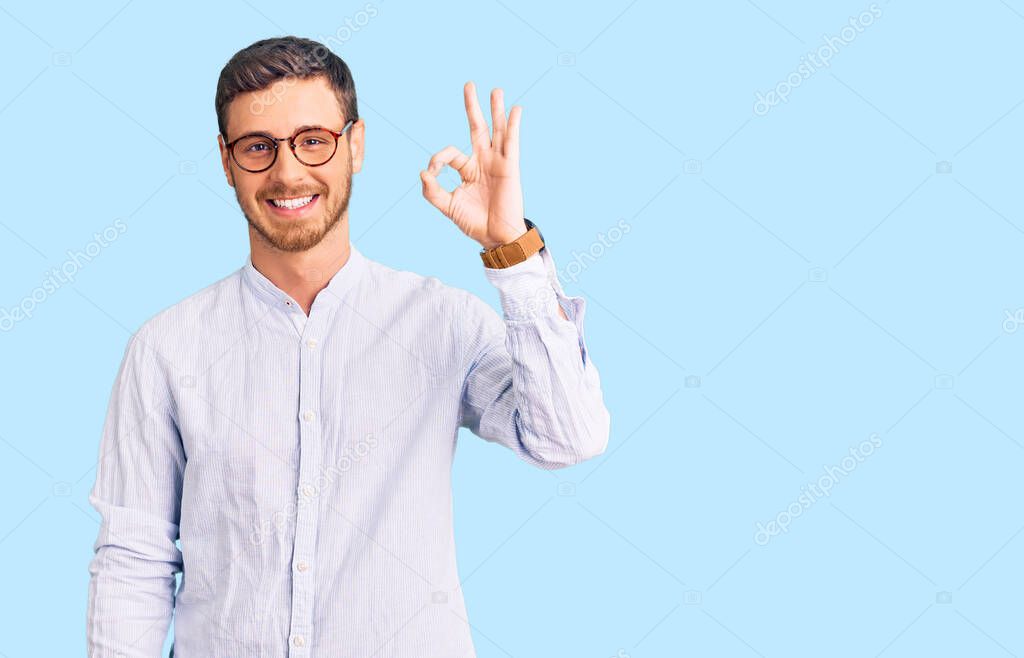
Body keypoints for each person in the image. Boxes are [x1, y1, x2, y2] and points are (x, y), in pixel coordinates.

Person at [86, 35, 610, 657]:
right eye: (258, 147)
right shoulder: (166, 349)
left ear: (355, 145)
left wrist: (512, 250)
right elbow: (134, 559)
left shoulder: (441, 322)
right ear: (226, 162)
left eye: (314, 140)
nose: (287, 172)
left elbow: (568, 438)